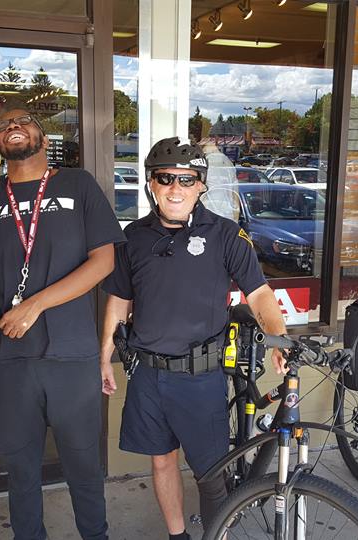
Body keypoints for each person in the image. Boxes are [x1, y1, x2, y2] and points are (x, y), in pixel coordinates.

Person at [100, 137, 289, 539]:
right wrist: (104, 356)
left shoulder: (225, 235)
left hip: (200, 377)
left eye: (186, 180)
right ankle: (177, 535)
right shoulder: (132, 238)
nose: (175, 189)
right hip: (147, 375)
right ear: (151, 183)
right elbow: (119, 299)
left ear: (201, 185)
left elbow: (259, 294)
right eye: (165, 178)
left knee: (211, 476)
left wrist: (278, 337)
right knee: (162, 462)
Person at [0, 107, 123, 540]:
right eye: (4, 124)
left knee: (84, 467)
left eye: (24, 121)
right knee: (21, 469)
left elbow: (104, 261)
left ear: (44, 140)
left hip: (71, 355)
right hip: (8, 359)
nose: (13, 126)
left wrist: (35, 305)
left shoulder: (78, 185)